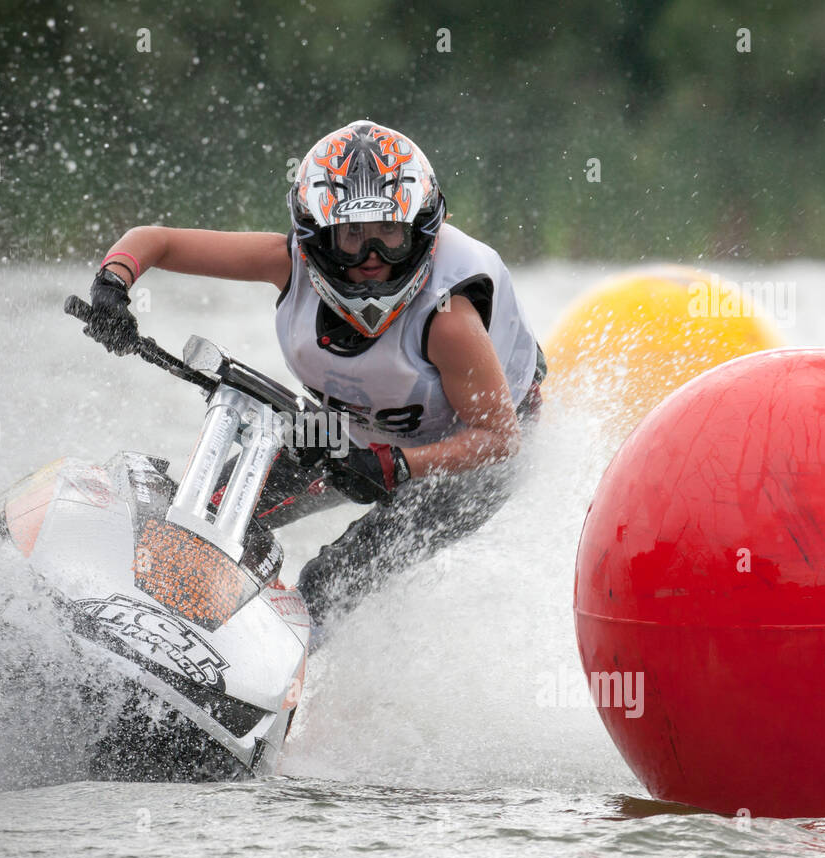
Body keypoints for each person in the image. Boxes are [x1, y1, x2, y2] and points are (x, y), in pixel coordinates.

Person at [84, 120, 546, 647]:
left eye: (390, 233)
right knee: (205, 515)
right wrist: (112, 286)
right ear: (317, 240)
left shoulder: (449, 321)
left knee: (325, 585)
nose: (372, 258)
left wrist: (395, 466)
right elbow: (158, 242)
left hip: (473, 460)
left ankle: (274, 695)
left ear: (421, 231)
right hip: (363, 429)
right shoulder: (289, 264)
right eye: (352, 236)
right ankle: (147, 630)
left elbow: (500, 440)